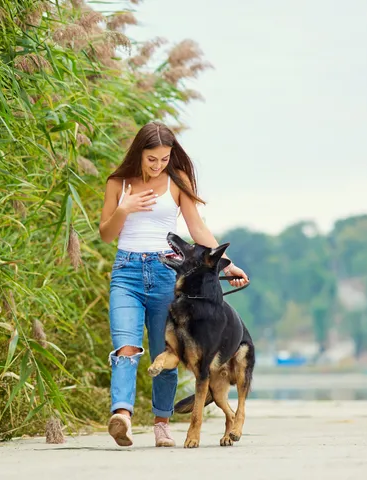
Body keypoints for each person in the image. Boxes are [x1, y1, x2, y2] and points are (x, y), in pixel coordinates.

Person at [99, 121, 249, 447]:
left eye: (164, 159)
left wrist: (228, 264)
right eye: (152, 159)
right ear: (139, 153)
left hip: (166, 274)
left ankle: (161, 424)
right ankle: (122, 415)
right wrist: (123, 209)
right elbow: (106, 234)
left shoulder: (176, 182)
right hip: (126, 273)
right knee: (125, 348)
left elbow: (197, 229)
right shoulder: (118, 183)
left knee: (168, 352)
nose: (158, 165)